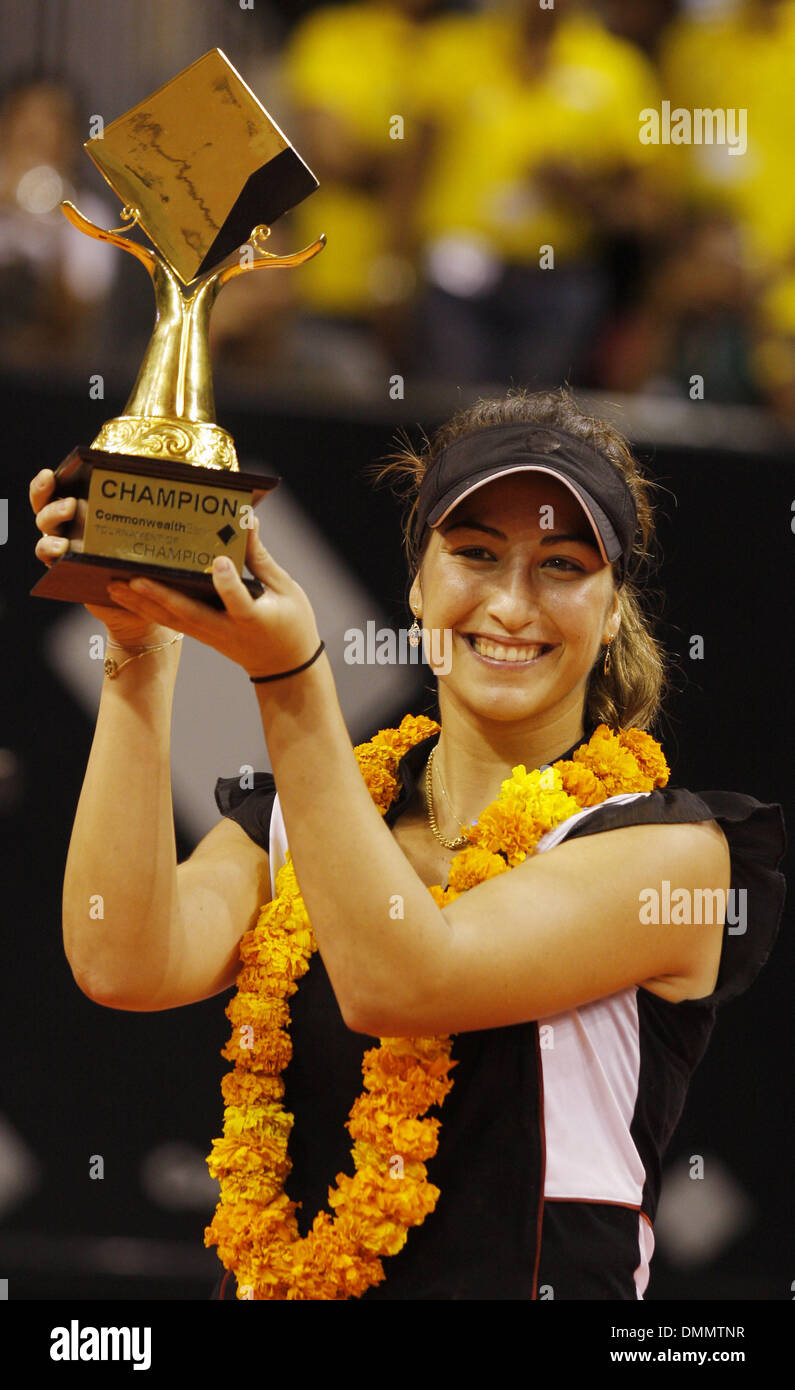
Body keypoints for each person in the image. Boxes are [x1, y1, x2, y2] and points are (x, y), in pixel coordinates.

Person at [29, 387, 785, 1300]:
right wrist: (137, 653)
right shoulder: (302, 820)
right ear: (419, 584)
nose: (511, 604)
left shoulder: (672, 854)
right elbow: (123, 959)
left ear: (615, 607)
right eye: (474, 555)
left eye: (561, 565)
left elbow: (402, 982)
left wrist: (291, 679)